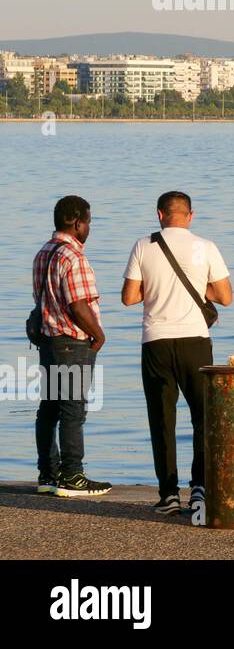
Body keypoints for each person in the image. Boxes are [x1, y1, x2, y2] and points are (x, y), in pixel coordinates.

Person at [121, 191, 233, 515]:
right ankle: (200, 490)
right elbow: (225, 297)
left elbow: (129, 297)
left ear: (159, 214)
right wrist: (200, 286)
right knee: (203, 417)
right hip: (195, 342)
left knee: (162, 419)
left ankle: (169, 494)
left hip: (156, 342)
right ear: (191, 215)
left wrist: (153, 287)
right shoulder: (206, 247)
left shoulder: (144, 245)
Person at [33, 196, 111, 498]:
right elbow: (78, 305)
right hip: (72, 342)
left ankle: (47, 474)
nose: (89, 227)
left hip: (49, 341)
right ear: (76, 222)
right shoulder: (73, 257)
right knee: (73, 410)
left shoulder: (44, 252)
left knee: (49, 408)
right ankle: (73, 476)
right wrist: (98, 334)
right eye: (88, 222)